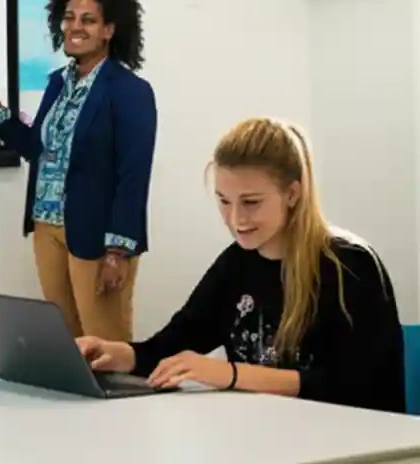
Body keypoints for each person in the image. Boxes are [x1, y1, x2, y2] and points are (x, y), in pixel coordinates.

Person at [77, 118, 406, 412]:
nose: (236, 219)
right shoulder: (235, 263)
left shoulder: (349, 264)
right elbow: (173, 345)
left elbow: (357, 386)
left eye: (251, 203)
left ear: (292, 194)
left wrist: (232, 374)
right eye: (223, 201)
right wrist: (120, 354)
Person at [0, 0, 156, 340]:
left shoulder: (130, 92)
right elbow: (37, 149)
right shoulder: (57, 83)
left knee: (104, 340)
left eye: (88, 20)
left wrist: (118, 250)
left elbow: (134, 174)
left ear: (109, 30)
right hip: (46, 226)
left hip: (97, 235)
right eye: (69, 18)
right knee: (65, 339)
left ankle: (115, 397)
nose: (75, 27)